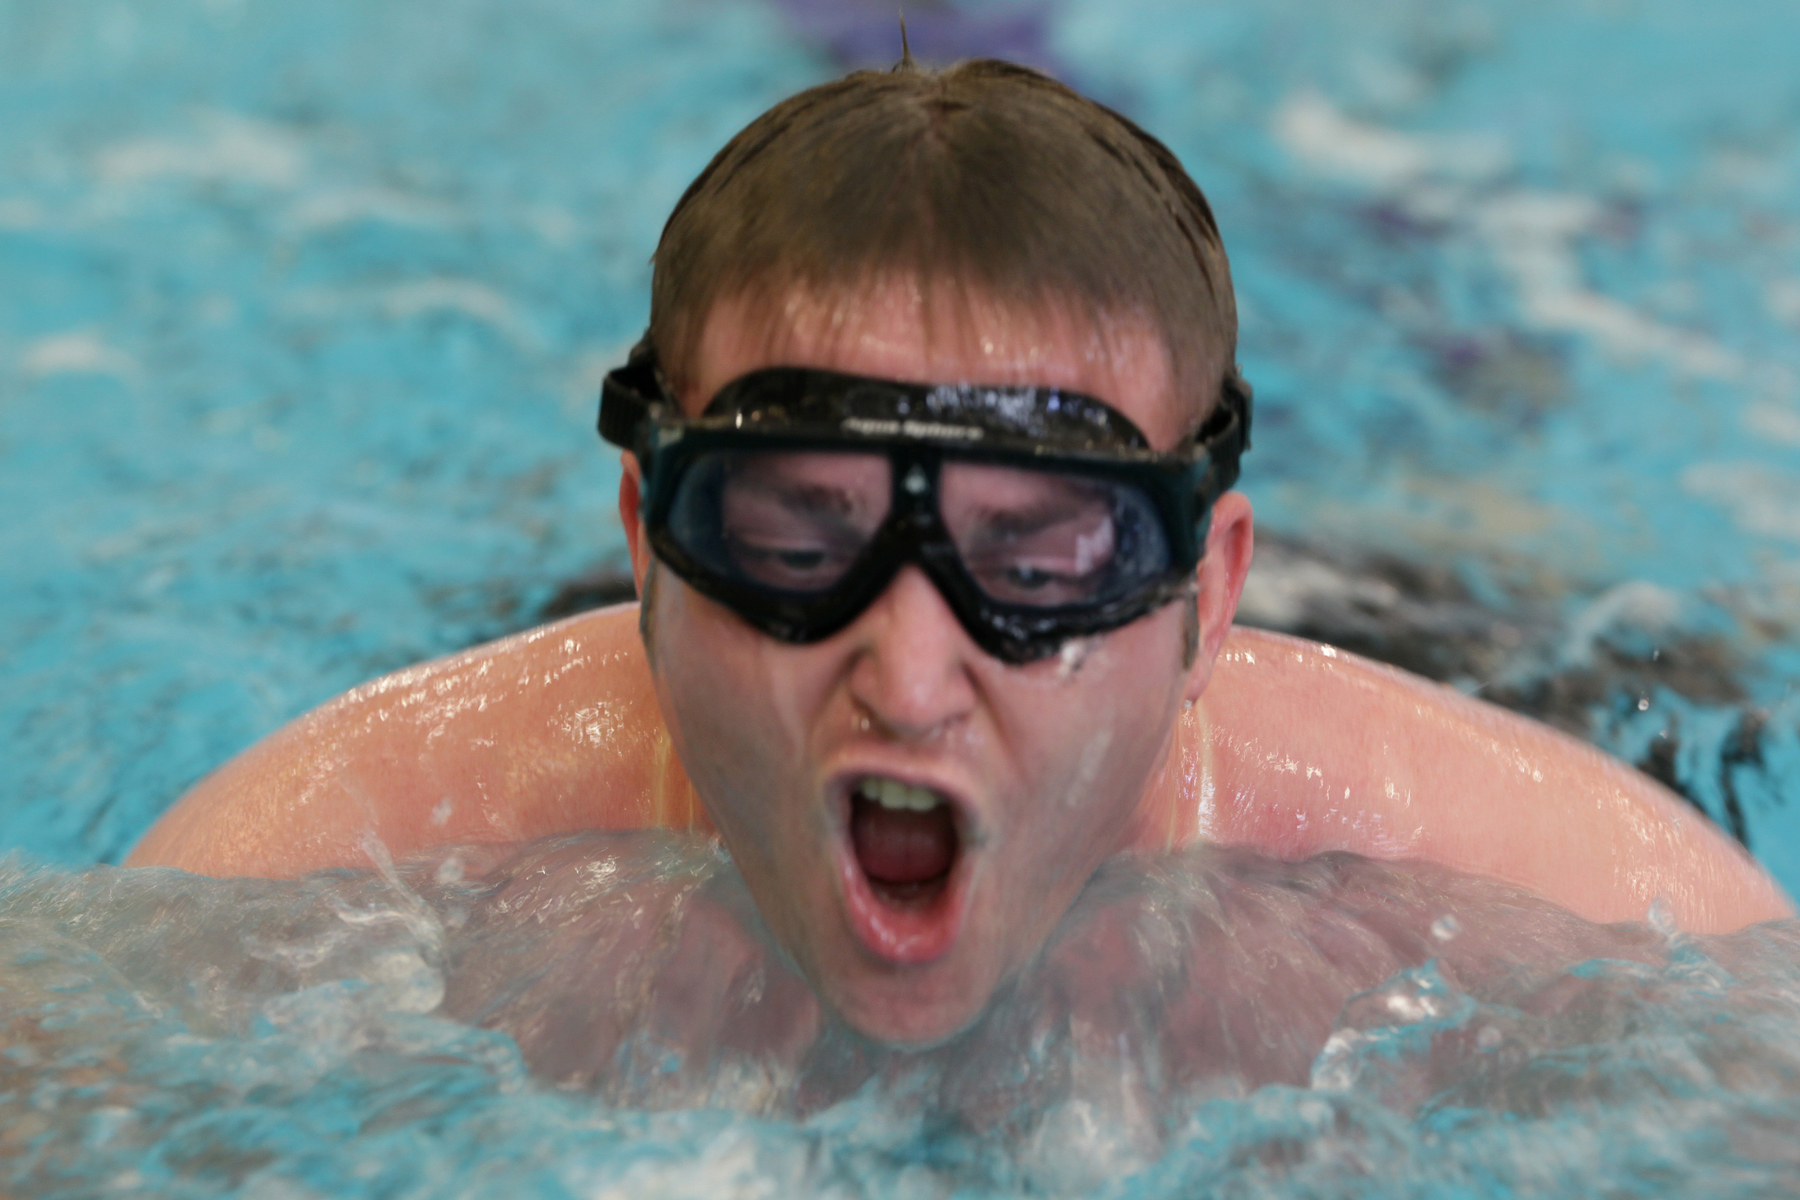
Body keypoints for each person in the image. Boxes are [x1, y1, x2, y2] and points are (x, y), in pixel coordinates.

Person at [128, 58, 1790, 1048]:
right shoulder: (324, 876)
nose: (912, 676)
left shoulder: (1572, 918)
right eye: (791, 528)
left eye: (1044, 553)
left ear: (1205, 597)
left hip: (1416, 637)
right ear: (645, 545)